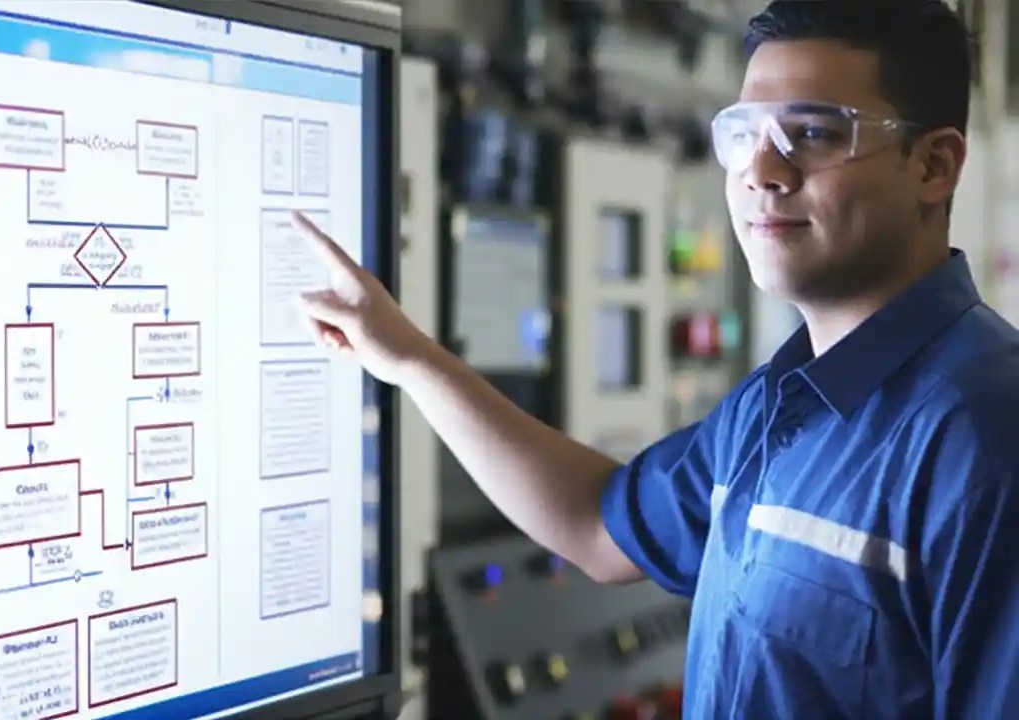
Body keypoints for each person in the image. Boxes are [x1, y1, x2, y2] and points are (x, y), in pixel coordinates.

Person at [293, 0, 1019, 716]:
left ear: (935, 166)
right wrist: (411, 358)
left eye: (814, 133)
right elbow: (595, 528)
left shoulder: (984, 436)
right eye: (745, 134)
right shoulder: (774, 409)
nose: (761, 170)